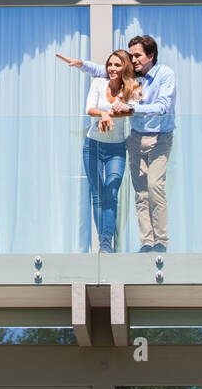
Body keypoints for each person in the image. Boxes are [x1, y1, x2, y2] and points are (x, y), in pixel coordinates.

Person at [57, 35, 176, 252]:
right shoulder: (132, 76)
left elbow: (163, 107)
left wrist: (131, 110)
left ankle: (160, 242)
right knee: (140, 193)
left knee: (154, 186)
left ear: (151, 56)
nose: (134, 59)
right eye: (131, 56)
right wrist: (82, 64)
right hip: (135, 138)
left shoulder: (164, 75)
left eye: (137, 55)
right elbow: (106, 72)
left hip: (159, 137)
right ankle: (147, 243)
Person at [82, 50, 142, 253]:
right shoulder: (99, 83)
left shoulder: (132, 88)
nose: (112, 69)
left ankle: (107, 241)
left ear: (125, 67)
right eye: (110, 65)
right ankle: (105, 244)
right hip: (93, 146)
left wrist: (115, 112)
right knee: (98, 195)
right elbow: (89, 109)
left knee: (112, 191)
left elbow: (133, 110)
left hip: (116, 148)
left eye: (117, 65)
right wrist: (104, 114)